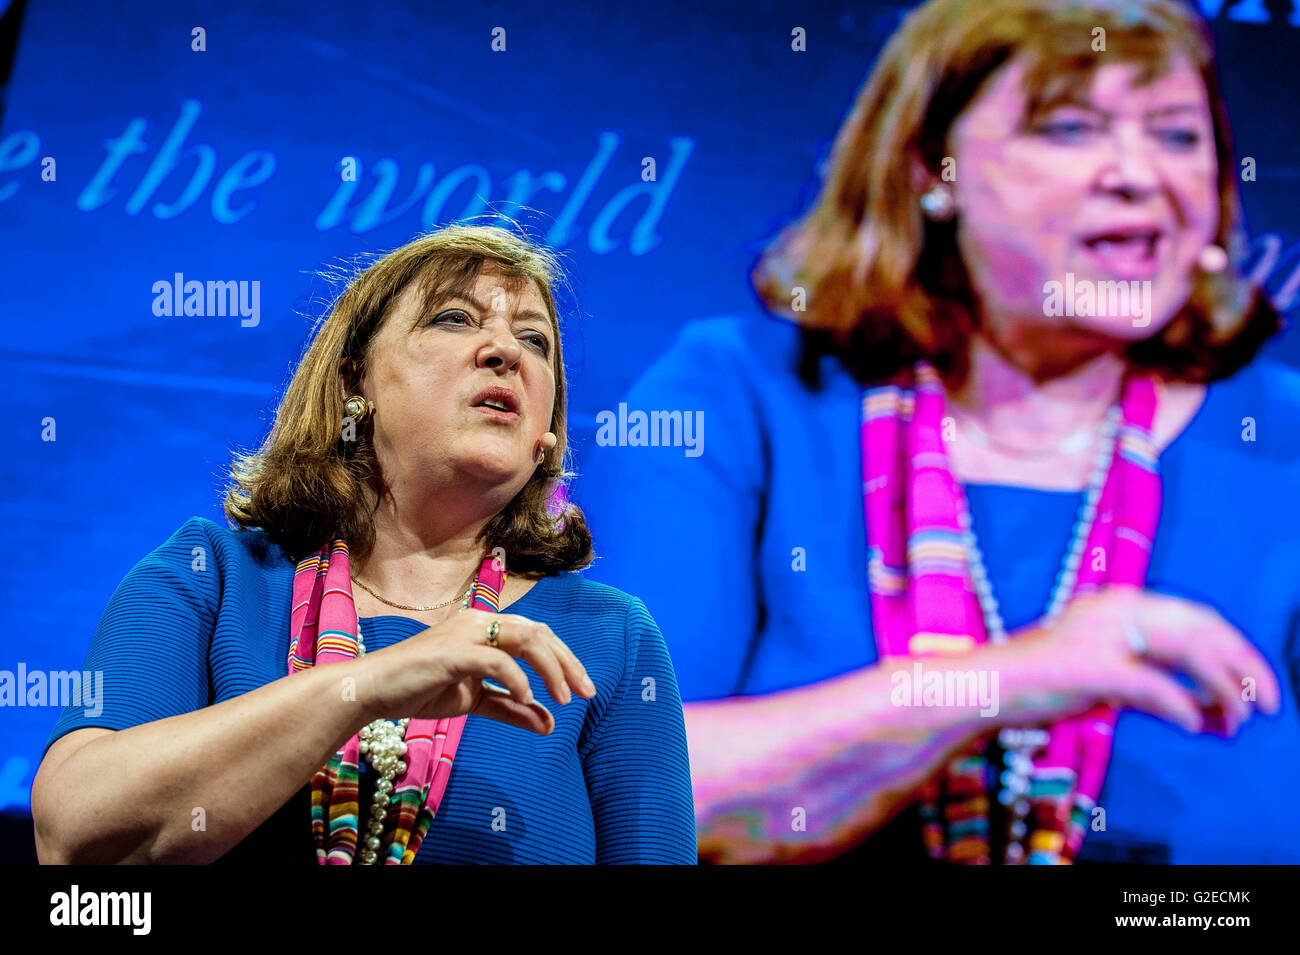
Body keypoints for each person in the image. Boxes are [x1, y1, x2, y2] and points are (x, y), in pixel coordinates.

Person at [578, 0, 1298, 864]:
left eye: (1178, 136)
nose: (1139, 174)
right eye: (1070, 129)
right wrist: (1014, 679)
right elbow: (619, 793)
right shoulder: (741, 392)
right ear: (933, 169)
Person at [32, 224, 696, 865]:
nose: (506, 352)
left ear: (545, 433)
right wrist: (372, 683)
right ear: (356, 385)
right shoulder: (212, 579)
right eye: (455, 319)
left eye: (534, 339)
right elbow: (72, 832)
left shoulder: (612, 638)